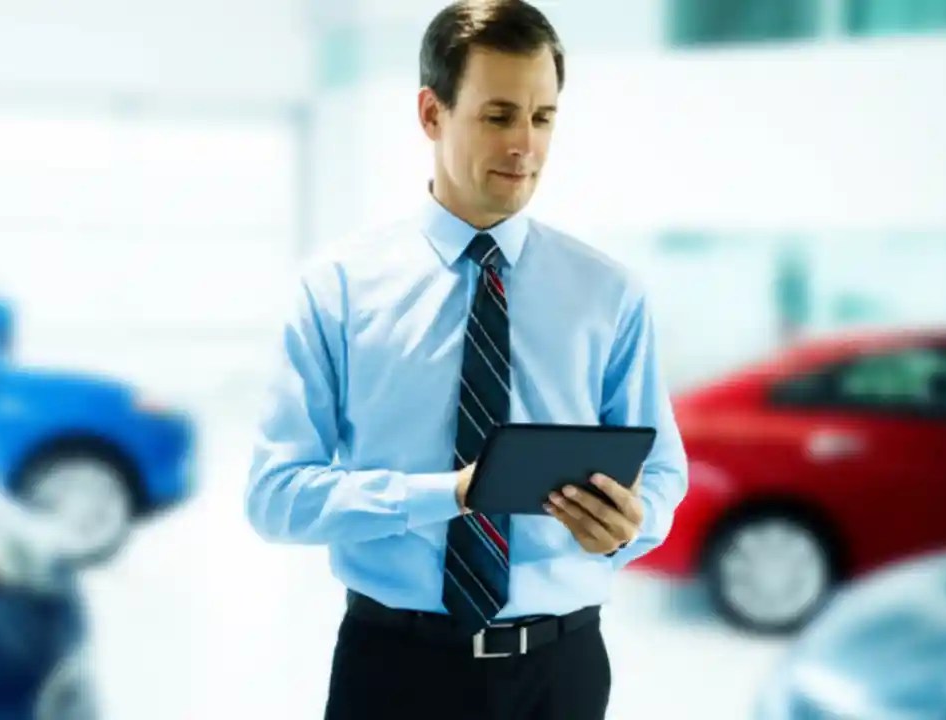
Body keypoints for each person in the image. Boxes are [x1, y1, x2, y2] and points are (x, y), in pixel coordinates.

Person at [244, 1, 688, 718]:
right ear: (431, 114)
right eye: (498, 115)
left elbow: (663, 470)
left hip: (560, 674)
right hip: (393, 669)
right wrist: (448, 493)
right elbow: (276, 497)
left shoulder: (609, 295)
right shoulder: (340, 289)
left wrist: (635, 521)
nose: (525, 145)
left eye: (543, 119)